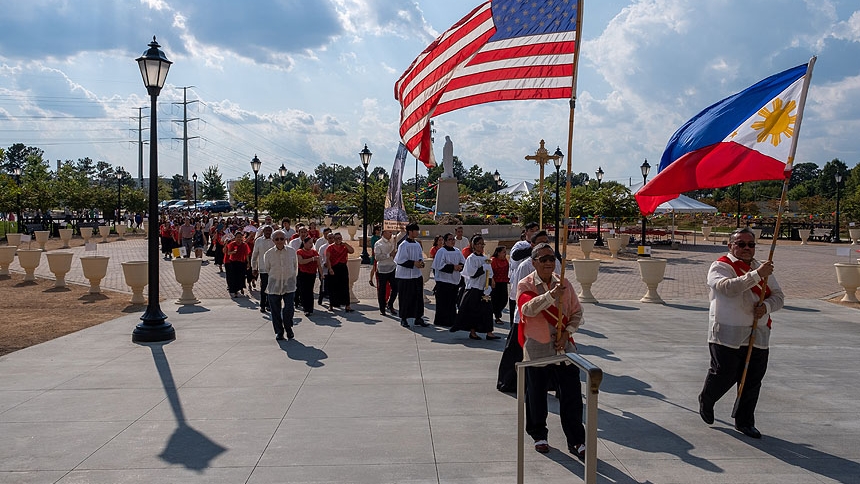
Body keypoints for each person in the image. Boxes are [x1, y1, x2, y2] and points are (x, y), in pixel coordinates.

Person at [698, 227, 783, 439]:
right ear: (730, 246)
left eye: (750, 244)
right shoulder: (721, 266)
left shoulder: (762, 267)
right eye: (741, 244)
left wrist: (767, 307)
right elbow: (727, 288)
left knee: (753, 379)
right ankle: (707, 399)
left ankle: (745, 421)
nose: (746, 248)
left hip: (758, 331)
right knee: (724, 374)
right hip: (728, 330)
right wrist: (756, 276)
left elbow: (779, 296)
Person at [517, 242, 585, 457]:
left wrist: (567, 333)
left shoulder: (563, 282)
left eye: (551, 259)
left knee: (572, 395)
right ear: (534, 262)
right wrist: (551, 296)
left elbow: (576, 312)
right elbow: (527, 309)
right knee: (536, 395)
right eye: (543, 259)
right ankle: (539, 435)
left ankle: (576, 440)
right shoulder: (525, 284)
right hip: (538, 348)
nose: (548, 263)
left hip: (564, 348)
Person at [450, 235, 499, 340]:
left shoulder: (485, 258)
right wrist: (482, 268)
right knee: (473, 311)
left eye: (483, 244)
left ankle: (489, 332)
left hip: (484, 288)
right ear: (474, 245)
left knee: (488, 310)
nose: (481, 246)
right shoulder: (471, 258)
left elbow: (489, 272)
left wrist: (491, 281)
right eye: (479, 244)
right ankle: (473, 332)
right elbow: (472, 274)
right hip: (474, 288)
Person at [263, 230, 298, 340]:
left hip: (289, 285)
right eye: (277, 239)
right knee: (275, 311)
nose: (279, 241)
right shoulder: (268, 254)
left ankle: (288, 328)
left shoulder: (292, 252)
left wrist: (291, 277)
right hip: (274, 285)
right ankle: (279, 332)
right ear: (273, 241)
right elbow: (268, 269)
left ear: (285, 239)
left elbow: (295, 267)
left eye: (281, 239)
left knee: (289, 309)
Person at [394, 223, 427, 328]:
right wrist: (413, 263)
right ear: (410, 232)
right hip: (405, 277)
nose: (417, 232)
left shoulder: (417, 244)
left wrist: (421, 262)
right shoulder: (403, 245)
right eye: (415, 231)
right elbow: (400, 260)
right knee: (405, 298)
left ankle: (418, 317)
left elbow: (419, 256)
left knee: (418, 297)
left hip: (416, 275)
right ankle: (404, 318)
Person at [432, 233, 465, 327]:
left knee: (452, 302)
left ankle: (452, 320)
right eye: (450, 239)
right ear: (445, 241)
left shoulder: (457, 251)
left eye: (453, 239)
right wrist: (453, 267)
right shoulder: (441, 251)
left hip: (454, 281)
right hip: (443, 281)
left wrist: (460, 267)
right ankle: (441, 321)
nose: (452, 241)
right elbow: (439, 265)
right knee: (443, 303)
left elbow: (463, 261)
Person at [325, 232, 355, 312]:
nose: (338, 240)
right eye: (337, 238)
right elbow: (328, 259)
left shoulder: (344, 247)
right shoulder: (330, 247)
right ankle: (331, 305)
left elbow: (352, 251)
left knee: (345, 286)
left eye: (340, 238)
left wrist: (346, 244)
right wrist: (330, 268)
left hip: (342, 267)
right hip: (334, 267)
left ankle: (347, 305)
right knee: (333, 287)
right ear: (334, 239)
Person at [373, 229, 398, 316]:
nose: (391, 234)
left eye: (391, 232)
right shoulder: (378, 243)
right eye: (389, 232)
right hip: (382, 269)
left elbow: (400, 235)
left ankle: (390, 304)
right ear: (384, 233)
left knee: (395, 288)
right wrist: (389, 255)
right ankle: (382, 308)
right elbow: (377, 257)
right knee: (382, 290)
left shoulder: (393, 241)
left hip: (392, 267)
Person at [251, 225, 275, 313]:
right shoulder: (259, 241)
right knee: (264, 287)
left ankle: (269, 304)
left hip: (274, 268)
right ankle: (262, 305)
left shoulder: (274, 240)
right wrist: (254, 268)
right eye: (266, 231)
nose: (268, 232)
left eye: (270, 231)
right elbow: (255, 255)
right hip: (263, 268)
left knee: (272, 287)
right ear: (263, 232)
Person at [296, 236, 323, 316]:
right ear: (304, 243)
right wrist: (312, 259)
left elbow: (319, 265)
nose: (311, 245)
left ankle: (310, 308)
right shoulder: (299, 252)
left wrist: (321, 274)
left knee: (310, 291)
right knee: (303, 291)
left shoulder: (314, 252)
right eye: (309, 243)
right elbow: (301, 262)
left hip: (312, 274)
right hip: (303, 273)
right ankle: (305, 308)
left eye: (312, 243)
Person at [224, 231, 250, 297]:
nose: (239, 239)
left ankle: (240, 288)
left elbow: (247, 254)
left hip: (242, 262)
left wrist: (248, 262)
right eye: (237, 237)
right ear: (235, 238)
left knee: (241, 276)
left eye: (240, 237)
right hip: (233, 262)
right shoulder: (232, 244)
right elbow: (228, 253)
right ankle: (233, 290)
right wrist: (233, 252)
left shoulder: (244, 245)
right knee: (233, 277)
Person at [490, 246, 509, 324]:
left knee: (504, 299)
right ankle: (497, 316)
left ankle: (497, 312)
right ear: (498, 253)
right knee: (495, 300)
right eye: (503, 252)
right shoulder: (493, 260)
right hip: (495, 283)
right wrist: (492, 280)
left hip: (503, 282)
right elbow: (490, 272)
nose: (505, 254)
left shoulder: (505, 261)